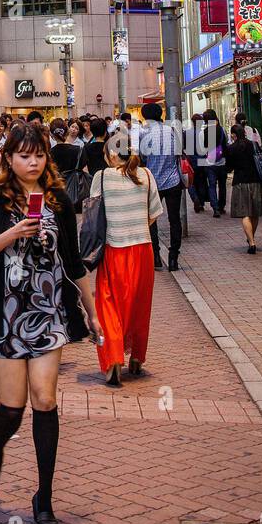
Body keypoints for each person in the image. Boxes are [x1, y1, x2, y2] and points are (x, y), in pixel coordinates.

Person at [0, 124, 101, 524]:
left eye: (39, 154)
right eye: (24, 155)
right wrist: (12, 233)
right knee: (13, 405)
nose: (33, 162)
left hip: (48, 312)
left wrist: (92, 312)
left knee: (45, 398)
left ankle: (44, 496)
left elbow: (74, 261)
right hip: (3, 313)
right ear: (8, 157)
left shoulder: (58, 199)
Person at [90, 135, 162, 386]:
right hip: (142, 249)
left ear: (110, 155)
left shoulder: (101, 178)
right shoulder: (146, 176)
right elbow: (153, 215)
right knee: (139, 307)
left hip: (113, 249)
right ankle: (136, 360)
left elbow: (93, 215)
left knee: (109, 306)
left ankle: (113, 362)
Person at [138, 102, 183, 270]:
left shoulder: (143, 133)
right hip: (173, 181)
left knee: (151, 220)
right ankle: (173, 258)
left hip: (152, 182)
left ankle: (156, 256)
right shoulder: (171, 130)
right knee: (174, 219)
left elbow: (142, 156)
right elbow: (179, 152)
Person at [225, 123, 262, 253]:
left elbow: (229, 167)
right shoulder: (253, 145)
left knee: (245, 214)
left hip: (240, 183)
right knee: (255, 213)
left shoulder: (231, 148)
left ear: (233, 135)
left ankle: (252, 242)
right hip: (255, 181)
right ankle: (251, 238)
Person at [200, 108, 228, 217]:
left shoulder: (204, 132)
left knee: (212, 185)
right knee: (222, 185)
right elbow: (226, 144)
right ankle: (221, 206)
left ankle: (215, 208)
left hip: (210, 163)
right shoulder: (222, 130)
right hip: (222, 161)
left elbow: (202, 149)